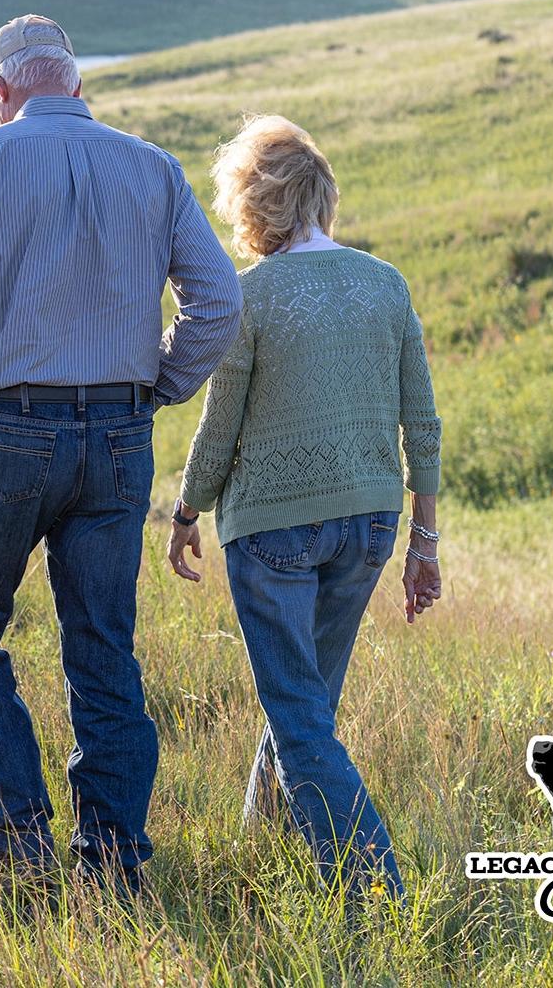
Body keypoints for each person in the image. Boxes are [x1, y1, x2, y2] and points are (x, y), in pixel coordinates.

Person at [0, 14, 241, 893]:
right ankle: (115, 863)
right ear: (78, 85)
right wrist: (156, 388)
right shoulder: (153, 166)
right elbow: (218, 302)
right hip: (120, 438)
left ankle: (16, 842)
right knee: (103, 647)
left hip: (11, 430)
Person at [167, 115, 442, 898]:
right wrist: (424, 543)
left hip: (272, 527)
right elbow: (421, 423)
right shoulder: (386, 283)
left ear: (254, 205)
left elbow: (220, 426)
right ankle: (260, 849)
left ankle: (375, 894)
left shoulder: (250, 296)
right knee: (307, 706)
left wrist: (186, 512)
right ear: (322, 195)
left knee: (299, 717)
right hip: (370, 525)